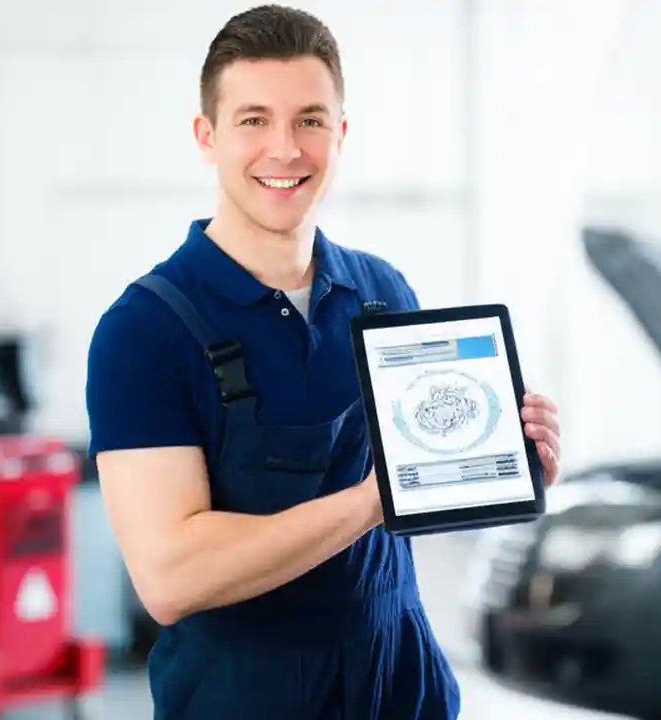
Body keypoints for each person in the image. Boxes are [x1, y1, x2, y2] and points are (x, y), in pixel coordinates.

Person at [84, 5, 563, 719]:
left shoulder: (380, 293)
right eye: (253, 120)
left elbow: (414, 495)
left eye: (309, 120)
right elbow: (170, 574)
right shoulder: (144, 330)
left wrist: (500, 465)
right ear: (206, 137)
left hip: (400, 685)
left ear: (339, 135)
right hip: (244, 700)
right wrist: (375, 498)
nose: (286, 149)